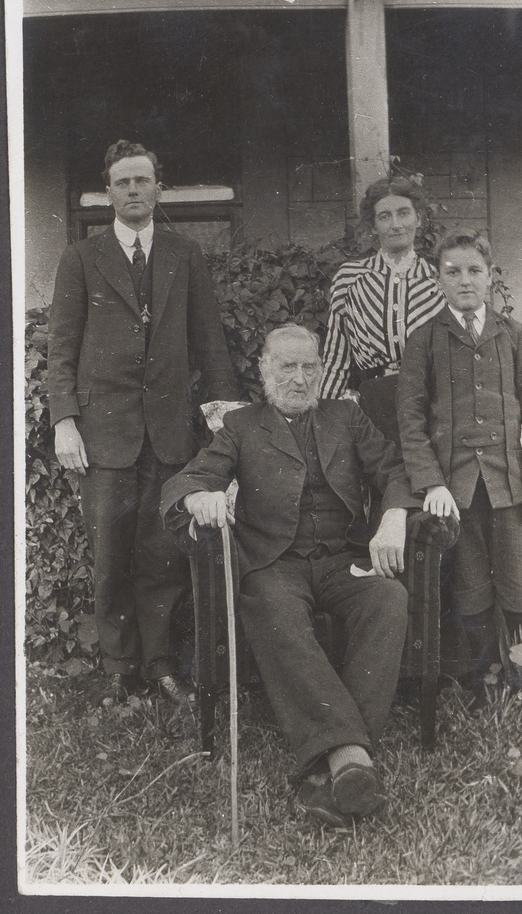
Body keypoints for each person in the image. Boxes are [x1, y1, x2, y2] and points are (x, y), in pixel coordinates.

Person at [161, 325, 417, 828]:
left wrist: (394, 516)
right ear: (264, 371)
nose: (299, 379)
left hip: (341, 558)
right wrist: (200, 498)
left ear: (322, 370)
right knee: (275, 609)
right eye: (287, 366)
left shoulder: (346, 416)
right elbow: (187, 480)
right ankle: (350, 760)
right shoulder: (239, 426)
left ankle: (332, 769)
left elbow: (394, 470)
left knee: (388, 598)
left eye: (310, 367)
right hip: (274, 564)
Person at [48, 140, 238, 706]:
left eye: (143, 180)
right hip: (104, 436)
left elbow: (209, 340)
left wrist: (228, 419)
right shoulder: (81, 258)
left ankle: (158, 665)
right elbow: (62, 348)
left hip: (171, 431)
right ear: (108, 192)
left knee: (163, 554)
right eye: (123, 182)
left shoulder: (185, 254)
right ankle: (118, 667)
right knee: (110, 555)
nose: (133, 190)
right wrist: (64, 420)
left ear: (159, 188)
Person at [396, 229, 522, 688]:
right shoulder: (424, 340)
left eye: (474, 271)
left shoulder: (513, 334)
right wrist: (432, 483)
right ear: (439, 279)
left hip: (508, 482)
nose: (465, 281)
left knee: (520, 582)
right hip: (456, 488)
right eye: (453, 272)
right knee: (469, 588)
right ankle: (483, 682)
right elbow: (410, 422)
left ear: (488, 276)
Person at [319, 174, 445, 446]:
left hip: (431, 402)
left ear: (419, 219)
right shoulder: (350, 277)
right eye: (385, 216)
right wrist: (325, 418)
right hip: (375, 402)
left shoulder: (439, 280)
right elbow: (335, 356)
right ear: (373, 226)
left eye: (404, 214)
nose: (396, 224)